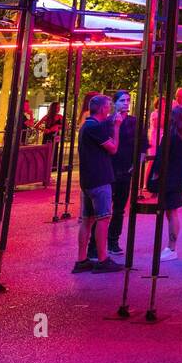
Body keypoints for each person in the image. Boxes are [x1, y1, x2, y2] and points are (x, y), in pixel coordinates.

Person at [73, 95, 123, 274]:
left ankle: (82, 259)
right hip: (99, 179)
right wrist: (116, 127)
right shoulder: (95, 127)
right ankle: (103, 259)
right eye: (108, 106)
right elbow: (113, 148)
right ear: (102, 109)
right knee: (103, 219)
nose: (110, 109)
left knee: (87, 220)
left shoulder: (87, 126)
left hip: (88, 179)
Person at [149, 105, 182, 262]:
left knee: (171, 212)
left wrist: (154, 175)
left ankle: (171, 247)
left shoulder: (169, 136)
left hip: (168, 176)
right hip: (181, 175)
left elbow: (161, 158)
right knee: (172, 211)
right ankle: (171, 246)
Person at [105, 91, 138, 256]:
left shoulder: (133, 121)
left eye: (128, 100)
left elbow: (141, 144)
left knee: (119, 208)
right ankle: (97, 243)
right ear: (115, 103)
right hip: (109, 168)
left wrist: (135, 164)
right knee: (104, 208)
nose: (126, 103)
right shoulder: (108, 121)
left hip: (125, 169)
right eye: (123, 100)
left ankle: (113, 240)